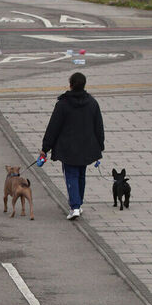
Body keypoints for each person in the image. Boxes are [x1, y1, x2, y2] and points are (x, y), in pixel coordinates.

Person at [40, 72, 104, 221]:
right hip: (86, 146)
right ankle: (78, 204)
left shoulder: (63, 104)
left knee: (71, 175)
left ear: (70, 84)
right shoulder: (92, 103)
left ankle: (74, 206)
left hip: (67, 148)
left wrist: (45, 147)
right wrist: (99, 145)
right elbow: (98, 126)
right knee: (81, 174)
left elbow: (53, 127)